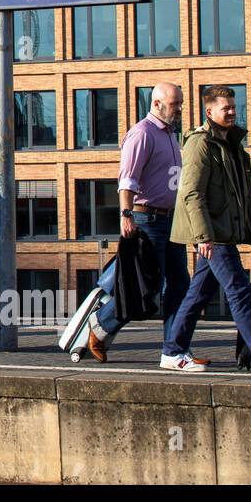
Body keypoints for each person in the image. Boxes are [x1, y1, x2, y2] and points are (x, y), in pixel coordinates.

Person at [163, 86, 251, 375]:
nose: (232, 112)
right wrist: (203, 237)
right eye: (226, 108)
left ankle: (173, 351)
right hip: (214, 234)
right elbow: (191, 193)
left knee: (197, 295)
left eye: (234, 107)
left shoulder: (230, 143)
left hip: (221, 231)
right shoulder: (200, 144)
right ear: (209, 111)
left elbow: (233, 190)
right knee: (238, 290)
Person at [87, 82, 194, 362]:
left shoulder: (171, 135)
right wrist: (126, 215)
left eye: (181, 103)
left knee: (181, 284)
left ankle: (174, 349)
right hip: (147, 219)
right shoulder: (142, 134)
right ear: (157, 104)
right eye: (175, 104)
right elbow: (127, 179)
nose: (180, 109)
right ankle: (100, 325)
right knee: (146, 287)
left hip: (172, 221)